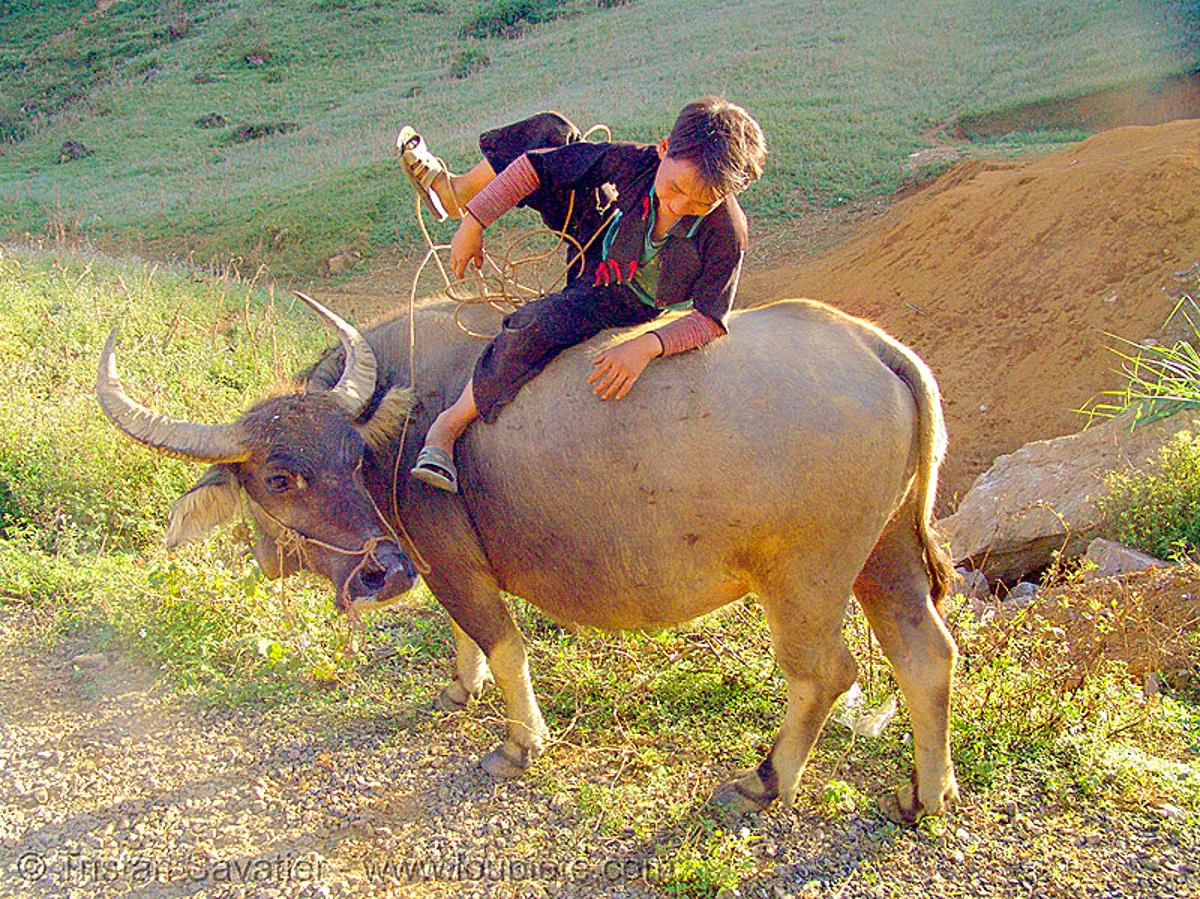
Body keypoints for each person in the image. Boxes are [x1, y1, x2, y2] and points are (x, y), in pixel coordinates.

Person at [396, 97, 766, 493]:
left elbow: (709, 318)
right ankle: (458, 195)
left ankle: (446, 428)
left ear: (725, 197)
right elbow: (538, 166)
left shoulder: (727, 232)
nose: (679, 206)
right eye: (675, 188)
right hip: (600, 237)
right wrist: (476, 219)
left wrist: (645, 346)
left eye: (701, 203)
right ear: (662, 150)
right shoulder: (637, 163)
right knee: (549, 134)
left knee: (538, 323)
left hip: (619, 297)